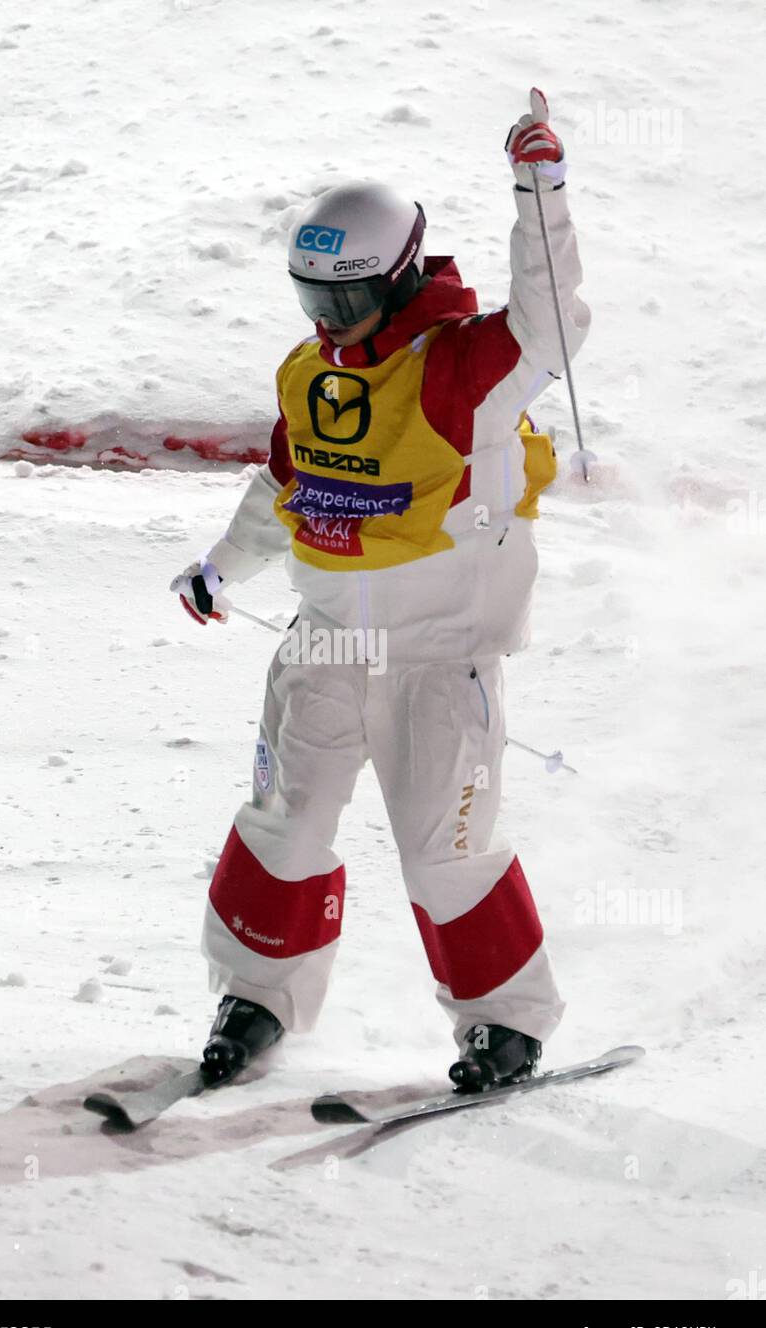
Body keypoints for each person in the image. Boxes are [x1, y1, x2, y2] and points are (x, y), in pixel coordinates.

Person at [171, 88, 590, 1092]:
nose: (329, 323)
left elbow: (549, 325)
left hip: (435, 660)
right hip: (321, 646)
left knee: (444, 850)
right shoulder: (306, 374)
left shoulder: (457, 371)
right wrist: (220, 572)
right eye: (311, 301)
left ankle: (504, 1026)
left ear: (399, 281)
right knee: (284, 823)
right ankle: (255, 997)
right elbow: (282, 487)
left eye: (346, 303)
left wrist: (541, 188)